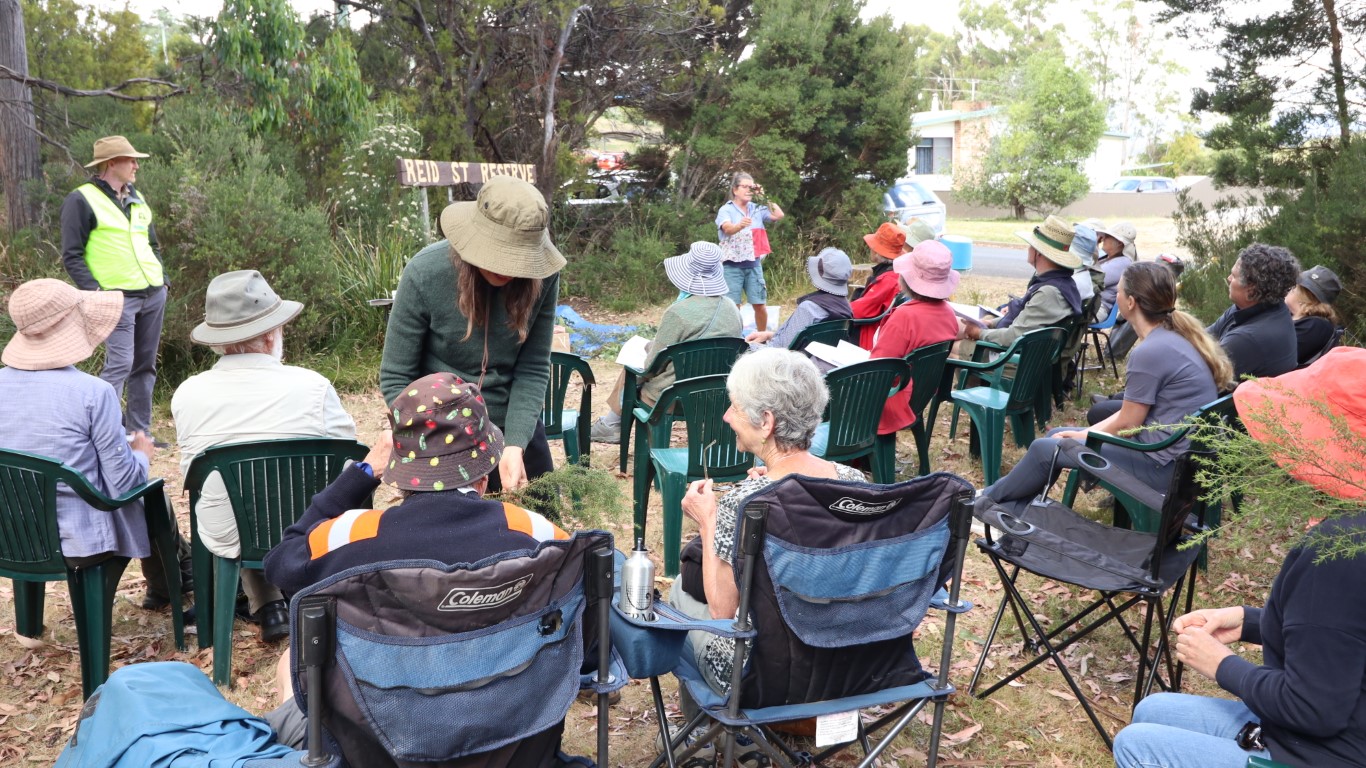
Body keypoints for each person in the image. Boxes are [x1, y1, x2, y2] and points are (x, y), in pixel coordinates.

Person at [262, 373, 571, 756]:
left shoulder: (351, 535)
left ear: (397, 472)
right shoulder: (535, 533)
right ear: (485, 470)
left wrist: (360, 474)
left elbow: (280, 563)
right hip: (506, 738)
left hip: (377, 742)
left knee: (290, 661)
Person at [1112, 347, 1366, 768]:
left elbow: (1314, 709)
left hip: (1326, 753)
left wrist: (1222, 666)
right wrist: (1249, 620)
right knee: (1152, 711)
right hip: (1327, 734)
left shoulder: (1338, 554)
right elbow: (1338, 641)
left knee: (1136, 744)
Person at [171, 270, 357, 643]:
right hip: (308, 525)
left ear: (218, 342)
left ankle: (261, 602)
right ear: (272, 334)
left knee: (238, 498)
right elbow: (346, 458)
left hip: (230, 533)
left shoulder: (187, 393)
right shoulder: (313, 386)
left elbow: (192, 470)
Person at [670, 348, 865, 694]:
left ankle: (703, 741)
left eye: (735, 406)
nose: (727, 416)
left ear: (767, 422)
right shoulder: (854, 482)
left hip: (763, 676)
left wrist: (708, 517)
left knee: (677, 592)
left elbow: (724, 611)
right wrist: (773, 479)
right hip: (844, 664)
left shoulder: (746, 502)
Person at [0, 279, 187, 611]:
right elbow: (124, 484)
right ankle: (172, 581)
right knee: (153, 495)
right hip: (80, 541)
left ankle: (29, 621)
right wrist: (141, 455)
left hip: (13, 534)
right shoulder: (93, 392)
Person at [985, 261, 1233, 503]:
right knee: (1058, 436)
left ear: (1131, 302)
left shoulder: (1151, 350)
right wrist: (1082, 434)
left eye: (1120, 290)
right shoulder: (1172, 337)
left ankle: (988, 501)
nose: (1116, 296)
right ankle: (1017, 504)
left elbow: (1128, 422)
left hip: (1163, 467)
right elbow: (1130, 417)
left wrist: (1083, 435)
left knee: (1044, 447)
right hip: (1179, 459)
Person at [380, 176, 564, 492]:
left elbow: (532, 369)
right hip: (439, 430)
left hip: (511, 421)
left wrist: (515, 443)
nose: (507, 268)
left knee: (540, 526)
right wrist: (432, 438)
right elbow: (397, 376)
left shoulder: (543, 278)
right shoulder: (425, 273)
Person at [1089, 243, 1299, 425]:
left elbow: (1193, 369)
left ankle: (1116, 401)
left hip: (1218, 423)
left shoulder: (1252, 338)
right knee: (1116, 406)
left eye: (1233, 276)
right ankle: (1118, 397)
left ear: (1252, 289)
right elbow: (1199, 340)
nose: (1228, 278)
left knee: (1100, 413)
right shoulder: (1255, 308)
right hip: (1212, 402)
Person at [59, 135, 168, 444]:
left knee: (145, 365)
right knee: (120, 363)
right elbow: (72, 255)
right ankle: (103, 433)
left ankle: (139, 434)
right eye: (130, 160)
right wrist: (96, 293)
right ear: (110, 164)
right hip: (115, 298)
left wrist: (164, 279)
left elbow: (152, 245)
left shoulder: (137, 196)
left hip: (153, 293)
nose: (136, 165)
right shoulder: (81, 199)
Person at [588, 242, 743, 444]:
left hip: (675, 397)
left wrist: (650, 348)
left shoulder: (677, 313)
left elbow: (651, 366)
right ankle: (611, 423)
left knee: (632, 368)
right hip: (718, 395)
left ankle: (612, 423)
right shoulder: (732, 308)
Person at [869, 240, 961, 435]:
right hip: (919, 396)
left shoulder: (905, 317)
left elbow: (877, 370)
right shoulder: (948, 313)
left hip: (890, 400)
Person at [959, 215, 1083, 347]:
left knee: (952, 347)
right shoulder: (1061, 283)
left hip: (1012, 360)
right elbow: (1027, 321)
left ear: (1039, 252)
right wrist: (991, 323)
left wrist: (979, 333)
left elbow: (1012, 337)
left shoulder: (1048, 293)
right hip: (1026, 354)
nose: (1028, 248)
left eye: (1031, 245)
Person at [716, 172, 785, 334]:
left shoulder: (757, 209)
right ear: (735, 190)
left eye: (751, 187)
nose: (748, 190)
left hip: (754, 264)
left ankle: (762, 337)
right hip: (731, 267)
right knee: (733, 307)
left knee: (760, 304)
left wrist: (763, 195)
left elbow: (779, 215)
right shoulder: (726, 210)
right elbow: (727, 228)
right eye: (745, 186)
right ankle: (733, 337)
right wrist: (739, 225)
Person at [851, 219, 935, 349]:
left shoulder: (887, 280)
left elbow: (855, 312)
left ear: (876, 251)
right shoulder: (900, 273)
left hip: (868, 340)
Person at [746, 247, 852, 348]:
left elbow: (781, 348)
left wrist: (751, 347)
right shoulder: (845, 306)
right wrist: (770, 335)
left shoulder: (809, 308)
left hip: (788, 361)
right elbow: (798, 337)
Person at [1286, 265, 1342, 367]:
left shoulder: (1316, 326)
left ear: (1303, 295)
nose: (1290, 288)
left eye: (1296, 286)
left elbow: (1278, 354)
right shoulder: (1300, 318)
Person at [1093, 221, 1137, 318]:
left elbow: (1091, 280)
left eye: (1108, 236)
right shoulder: (1111, 257)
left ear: (1120, 244)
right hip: (1090, 305)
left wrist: (1094, 246)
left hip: (1097, 309)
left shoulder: (1123, 263)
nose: (1103, 238)